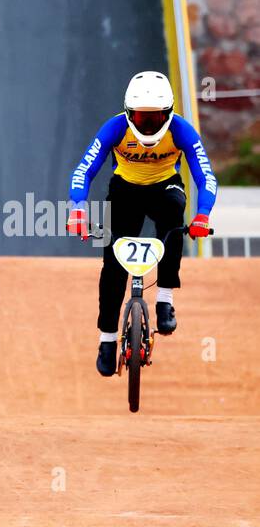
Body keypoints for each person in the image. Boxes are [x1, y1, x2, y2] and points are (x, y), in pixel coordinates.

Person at [67, 70, 217, 376]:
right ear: (127, 113)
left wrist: (202, 214)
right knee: (112, 267)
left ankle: (164, 298)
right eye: (140, 117)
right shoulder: (114, 128)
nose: (148, 125)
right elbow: (84, 169)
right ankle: (107, 339)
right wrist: (77, 209)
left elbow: (206, 175)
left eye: (155, 118)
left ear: (169, 114)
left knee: (175, 216)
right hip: (125, 191)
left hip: (165, 186)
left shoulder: (182, 130)